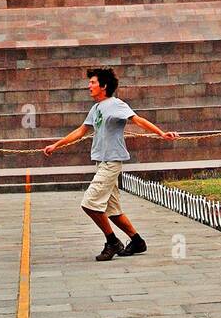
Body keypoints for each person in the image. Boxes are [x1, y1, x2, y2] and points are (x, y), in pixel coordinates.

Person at [43, 66, 177, 261]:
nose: (89, 86)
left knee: (89, 204)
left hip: (111, 163)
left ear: (104, 86)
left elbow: (137, 120)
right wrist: (56, 145)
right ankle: (137, 241)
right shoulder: (96, 108)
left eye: (93, 82)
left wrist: (161, 134)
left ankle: (112, 241)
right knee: (112, 211)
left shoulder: (116, 104)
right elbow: (81, 131)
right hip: (101, 162)